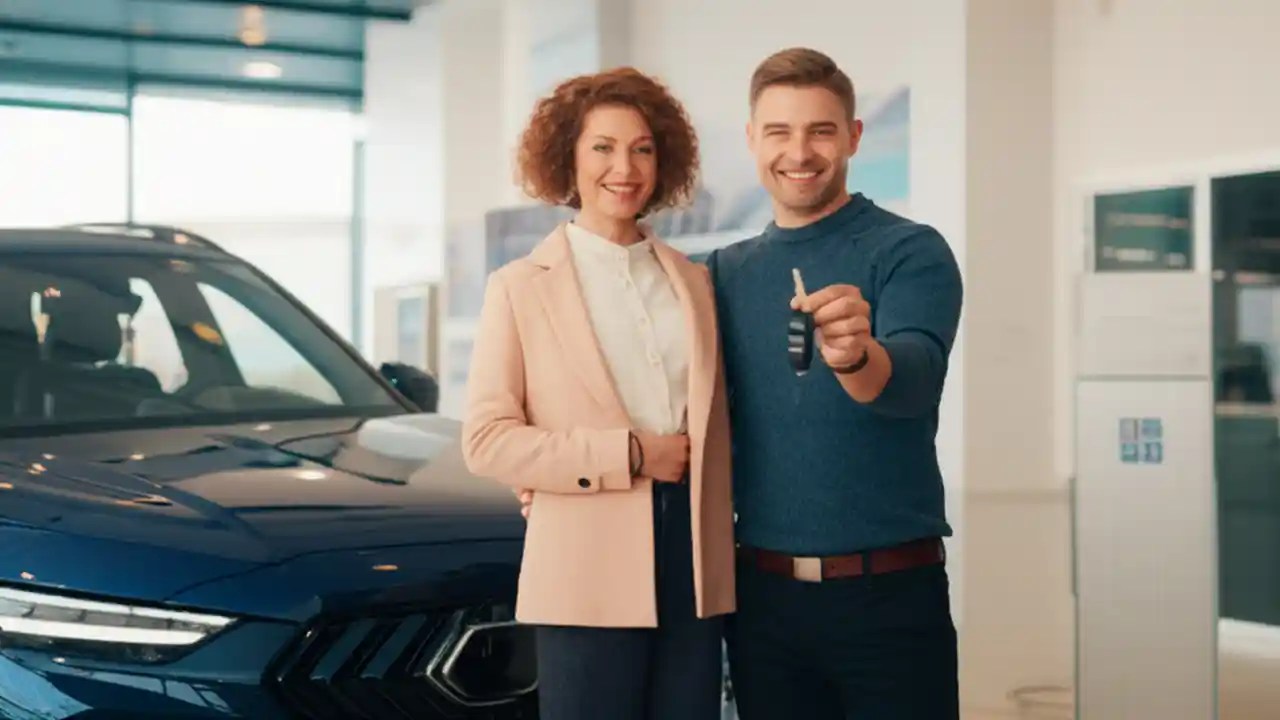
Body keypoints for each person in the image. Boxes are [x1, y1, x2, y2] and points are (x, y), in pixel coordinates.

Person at [460, 67, 736, 720]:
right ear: (569, 158)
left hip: (690, 558)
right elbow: (487, 441)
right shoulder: (520, 287)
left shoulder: (695, 283)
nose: (625, 167)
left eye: (642, 148)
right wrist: (631, 455)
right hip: (583, 560)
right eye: (603, 148)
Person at [707, 47, 964, 718]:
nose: (800, 151)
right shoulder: (722, 274)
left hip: (888, 598)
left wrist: (854, 356)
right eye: (779, 132)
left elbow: (911, 381)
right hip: (762, 604)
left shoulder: (909, 250)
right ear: (751, 141)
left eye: (821, 130)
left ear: (852, 137)